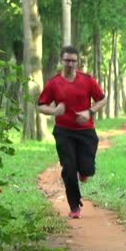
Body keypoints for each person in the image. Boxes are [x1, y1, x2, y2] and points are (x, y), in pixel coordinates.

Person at [36, 46, 108, 219]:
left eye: (73, 61)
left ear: (77, 62)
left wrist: (89, 112)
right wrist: (54, 111)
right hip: (64, 132)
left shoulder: (87, 80)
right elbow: (40, 105)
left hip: (86, 131)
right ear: (61, 61)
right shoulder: (53, 83)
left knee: (87, 169)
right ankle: (74, 206)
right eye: (67, 60)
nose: (70, 64)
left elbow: (102, 99)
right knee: (69, 168)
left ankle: (84, 173)